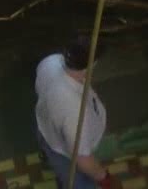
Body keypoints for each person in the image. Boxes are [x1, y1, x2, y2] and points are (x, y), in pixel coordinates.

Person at [35, 37, 118, 189]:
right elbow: (82, 158)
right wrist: (103, 176)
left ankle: (60, 177)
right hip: (65, 155)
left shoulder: (50, 62)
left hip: (46, 131)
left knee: (61, 174)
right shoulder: (75, 111)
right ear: (90, 66)